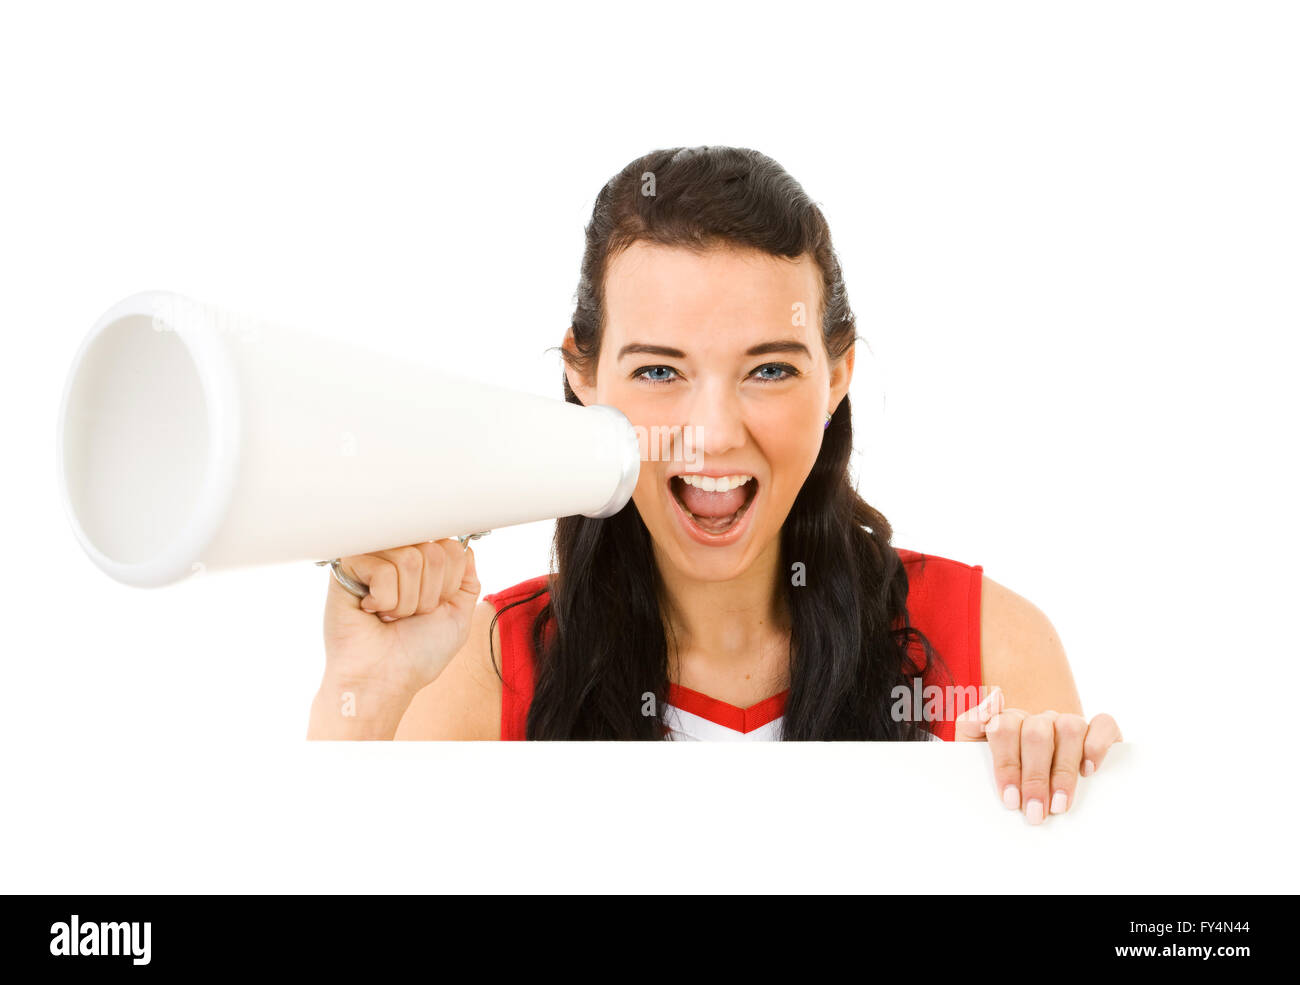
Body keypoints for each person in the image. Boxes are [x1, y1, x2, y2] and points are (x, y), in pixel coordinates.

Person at [307, 146, 1121, 824]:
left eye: (770, 368)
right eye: (659, 369)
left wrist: (1006, 841)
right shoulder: (485, 668)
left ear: (836, 374)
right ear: (583, 376)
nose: (714, 432)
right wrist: (361, 700)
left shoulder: (991, 647)